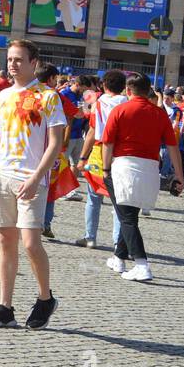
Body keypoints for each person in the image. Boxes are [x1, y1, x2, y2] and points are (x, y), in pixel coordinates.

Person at [0, 40, 65, 329]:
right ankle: (5, 306)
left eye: (18, 59)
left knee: (31, 243)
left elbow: (55, 143)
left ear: (33, 62)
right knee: (5, 241)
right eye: (10, 59)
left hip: (31, 178)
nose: (12, 64)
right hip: (3, 173)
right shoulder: (3, 96)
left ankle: (45, 297)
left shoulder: (49, 97)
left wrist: (37, 177)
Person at [101, 73, 184, 282]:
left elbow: (107, 143)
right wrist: (179, 175)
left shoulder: (119, 110)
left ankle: (141, 264)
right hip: (150, 168)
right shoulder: (159, 113)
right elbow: (172, 146)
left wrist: (104, 168)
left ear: (128, 91)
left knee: (126, 217)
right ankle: (119, 258)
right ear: (148, 91)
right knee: (130, 214)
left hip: (124, 166)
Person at [74, 70, 127, 249]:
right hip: (121, 154)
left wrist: (82, 157)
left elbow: (91, 132)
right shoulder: (128, 104)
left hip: (98, 151)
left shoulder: (98, 104)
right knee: (118, 201)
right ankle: (117, 242)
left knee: (93, 196)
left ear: (104, 85)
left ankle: (90, 237)